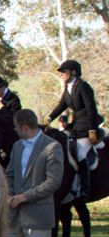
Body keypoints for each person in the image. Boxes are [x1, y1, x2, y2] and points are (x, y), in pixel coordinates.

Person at [4, 109, 63, 237]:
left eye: (15, 126)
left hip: (38, 214)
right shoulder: (17, 146)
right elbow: (10, 173)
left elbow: (53, 181)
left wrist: (25, 196)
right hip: (15, 213)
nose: (14, 130)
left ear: (24, 127)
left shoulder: (52, 147)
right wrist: (9, 193)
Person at [44, 59, 103, 199]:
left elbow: (91, 108)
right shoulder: (68, 88)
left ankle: (84, 189)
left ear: (74, 72)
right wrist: (49, 118)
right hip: (75, 126)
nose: (62, 75)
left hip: (86, 125)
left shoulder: (83, 86)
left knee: (81, 154)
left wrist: (93, 129)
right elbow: (61, 106)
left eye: (64, 72)